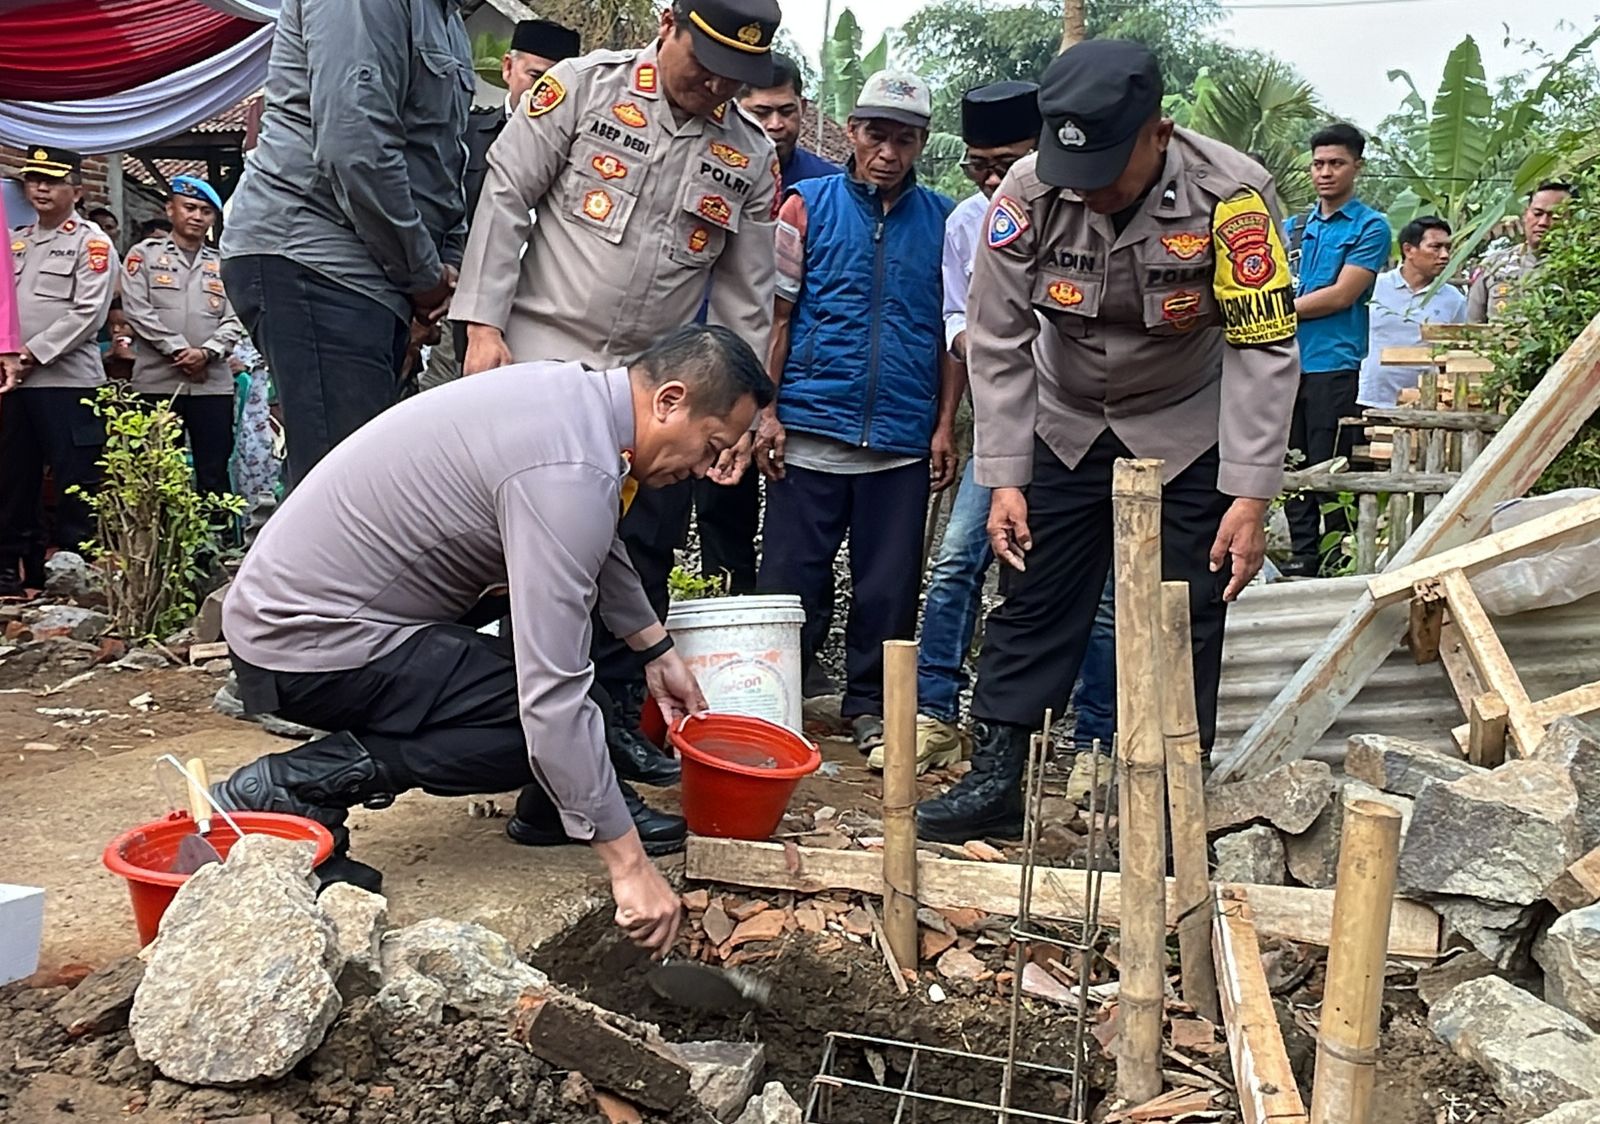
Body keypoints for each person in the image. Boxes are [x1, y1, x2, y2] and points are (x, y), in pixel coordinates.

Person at [212, 326, 771, 950]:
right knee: (538, 724)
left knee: (565, 717)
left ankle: (558, 807)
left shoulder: (575, 402)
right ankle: (293, 787)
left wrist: (655, 651)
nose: (704, 470)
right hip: (305, 645)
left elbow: (595, 541)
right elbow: (551, 698)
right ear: (669, 401)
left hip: (305, 620)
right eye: (710, 446)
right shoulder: (569, 469)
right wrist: (631, 867)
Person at [915, 40, 1301, 842]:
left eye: (1106, 173)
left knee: (1182, 612)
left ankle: (1167, 805)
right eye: (1073, 173)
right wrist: (1006, 477)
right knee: (1032, 596)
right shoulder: (1028, 191)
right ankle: (997, 778)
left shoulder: (1233, 195)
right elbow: (998, 337)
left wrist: (1250, 492)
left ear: (1158, 134)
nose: (1087, 193)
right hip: (1066, 418)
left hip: (1184, 422)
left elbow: (1262, 345)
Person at [451, 0, 781, 804]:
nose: (716, 87)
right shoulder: (580, 90)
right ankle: (505, 732)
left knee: (641, 553)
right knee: (520, 563)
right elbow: (506, 197)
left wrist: (738, 419)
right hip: (540, 365)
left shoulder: (748, 154)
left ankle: (613, 723)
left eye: (734, 77)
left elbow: (746, 296)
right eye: (705, 65)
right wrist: (483, 326)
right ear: (668, 25)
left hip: (652, 397)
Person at [753, 69, 961, 755]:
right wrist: (767, 413)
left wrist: (943, 426)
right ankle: (774, 701)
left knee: (888, 590)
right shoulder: (805, 207)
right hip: (810, 429)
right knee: (790, 584)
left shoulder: (944, 222)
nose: (888, 153)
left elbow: (951, 335)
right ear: (851, 131)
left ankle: (870, 706)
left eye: (905, 140)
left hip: (901, 442)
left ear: (922, 143)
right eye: (876, 135)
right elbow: (777, 319)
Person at [220, 0, 473, 487]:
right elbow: (355, 147)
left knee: (366, 490)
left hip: (377, 275)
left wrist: (445, 265)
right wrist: (423, 276)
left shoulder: (447, 17)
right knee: (346, 500)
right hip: (319, 262)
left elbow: (442, 157)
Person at [889, 79, 1039, 774]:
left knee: (1089, 584)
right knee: (955, 561)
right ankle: (937, 713)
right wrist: (969, 344)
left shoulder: (1078, 210)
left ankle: (1091, 738)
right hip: (1002, 423)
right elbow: (955, 310)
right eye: (978, 165)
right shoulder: (966, 223)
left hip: (1076, 424)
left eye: (1006, 163)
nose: (991, 179)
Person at [688, 51, 843, 602]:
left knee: (793, 517)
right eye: (761, 112)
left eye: (786, 111)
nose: (775, 124)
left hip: (793, 377)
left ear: (802, 108)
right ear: (737, 109)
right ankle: (722, 605)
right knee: (718, 499)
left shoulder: (827, 188)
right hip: (711, 357)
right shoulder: (711, 165)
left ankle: (789, 619)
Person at [430, 18, 584, 390]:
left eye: (557, 83)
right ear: (507, 67)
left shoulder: (581, 159)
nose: (545, 92)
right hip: (456, 307)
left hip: (539, 320)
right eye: (536, 77)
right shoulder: (466, 134)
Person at [0, 146, 118, 597]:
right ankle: (14, 565)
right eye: (34, 180)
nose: (41, 188)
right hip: (16, 382)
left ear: (78, 191)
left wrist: (28, 353)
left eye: (51, 181)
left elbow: (88, 314)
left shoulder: (91, 243)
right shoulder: (16, 240)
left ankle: (74, 570)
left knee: (75, 480)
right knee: (15, 477)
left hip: (68, 381)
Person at [1281, 123, 1390, 576]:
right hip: (1283, 362)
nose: (1325, 172)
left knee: (1330, 462)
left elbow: (1343, 294)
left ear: (1356, 167)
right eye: (1318, 164)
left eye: (1336, 163)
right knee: (1289, 461)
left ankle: (1335, 557)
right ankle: (1302, 555)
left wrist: (1274, 310)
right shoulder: (1293, 228)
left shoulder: (1371, 226)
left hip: (1334, 364)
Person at [119, 175, 247, 499]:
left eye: (205, 211)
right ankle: (161, 536)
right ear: (170, 209)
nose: (197, 216)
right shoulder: (143, 256)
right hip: (157, 382)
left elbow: (236, 317)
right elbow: (137, 310)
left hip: (212, 384)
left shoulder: (223, 263)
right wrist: (180, 351)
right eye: (189, 207)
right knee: (156, 473)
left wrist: (207, 353)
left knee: (213, 473)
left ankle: (213, 534)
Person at [1357, 216, 1467, 410]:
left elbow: (1458, 353)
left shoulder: (1454, 299)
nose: (1444, 255)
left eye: (1447, 248)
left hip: (1425, 404)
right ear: (1408, 250)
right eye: (1435, 247)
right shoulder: (1374, 287)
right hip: (1369, 397)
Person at [1468, 182, 1574, 324]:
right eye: (1537, 214)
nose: (1543, 222)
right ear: (1525, 215)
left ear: (1570, 219)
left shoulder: (1580, 269)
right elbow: (1473, 326)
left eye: (1555, 216)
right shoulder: (1493, 265)